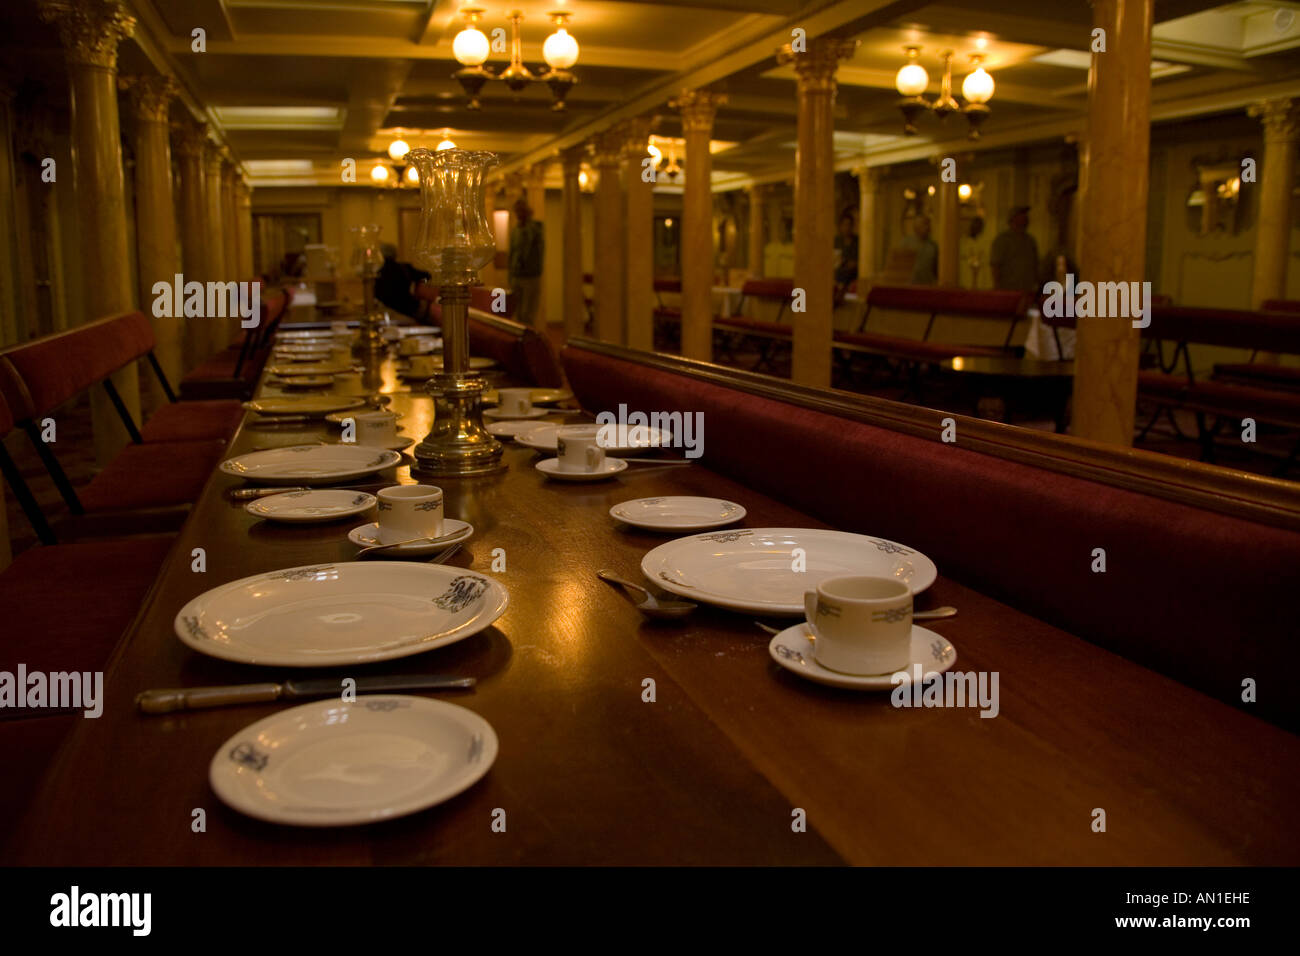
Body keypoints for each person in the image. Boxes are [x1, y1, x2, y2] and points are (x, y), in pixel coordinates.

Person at [990, 206, 1040, 297]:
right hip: (1008, 291)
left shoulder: (1030, 241)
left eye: (1026, 216)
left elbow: (1036, 265)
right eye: (1022, 215)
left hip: (1027, 291)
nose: (1026, 218)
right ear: (1013, 218)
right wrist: (997, 288)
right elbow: (995, 265)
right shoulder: (1003, 240)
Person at [509, 198, 544, 328]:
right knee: (518, 313)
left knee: (528, 314)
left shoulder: (536, 227)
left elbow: (533, 243)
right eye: (517, 211)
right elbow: (512, 252)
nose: (518, 214)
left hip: (531, 276)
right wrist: (511, 275)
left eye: (521, 211)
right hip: (517, 276)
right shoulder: (515, 231)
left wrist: (528, 223)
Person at [374, 244, 431, 319]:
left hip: (386, 310)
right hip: (408, 307)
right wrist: (418, 287)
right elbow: (427, 275)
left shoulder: (377, 271)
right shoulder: (404, 268)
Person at [903, 215, 938, 285]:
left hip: (927, 286)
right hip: (909, 286)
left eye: (928, 224)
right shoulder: (906, 244)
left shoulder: (933, 247)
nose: (927, 227)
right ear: (916, 227)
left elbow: (936, 270)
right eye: (924, 224)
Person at [834, 211, 858, 291]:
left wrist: (845, 262)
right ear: (840, 226)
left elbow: (854, 263)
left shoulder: (857, 242)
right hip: (839, 273)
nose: (847, 228)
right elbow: (836, 260)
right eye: (844, 225)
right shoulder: (837, 241)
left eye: (849, 225)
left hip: (852, 275)